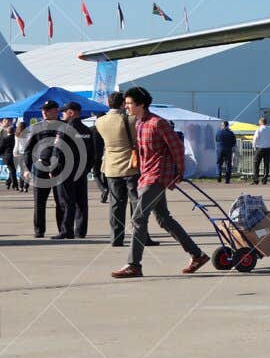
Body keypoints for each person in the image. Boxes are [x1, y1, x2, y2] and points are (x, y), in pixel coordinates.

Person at [110, 86, 208, 279]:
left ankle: (134, 265)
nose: (126, 107)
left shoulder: (158, 123)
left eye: (129, 103)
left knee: (138, 219)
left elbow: (177, 147)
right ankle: (197, 255)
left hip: (157, 177)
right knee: (164, 219)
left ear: (141, 104)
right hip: (145, 176)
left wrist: (179, 171)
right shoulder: (138, 124)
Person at [96, 91, 145, 248]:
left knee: (116, 204)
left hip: (111, 166)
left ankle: (116, 238)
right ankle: (140, 236)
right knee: (136, 203)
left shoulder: (100, 121)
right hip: (130, 166)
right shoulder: (131, 120)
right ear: (123, 103)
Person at [23, 100, 71, 239]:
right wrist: (27, 168)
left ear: (56, 110)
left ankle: (62, 230)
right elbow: (28, 150)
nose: (44, 111)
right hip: (40, 168)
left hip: (59, 169)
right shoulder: (36, 127)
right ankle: (39, 230)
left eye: (48, 109)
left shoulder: (64, 126)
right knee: (39, 201)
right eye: (43, 109)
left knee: (60, 201)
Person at [59, 102, 95, 239]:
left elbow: (59, 151)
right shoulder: (87, 130)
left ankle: (66, 231)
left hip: (67, 171)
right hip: (82, 170)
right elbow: (93, 154)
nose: (62, 114)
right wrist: (87, 169)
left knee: (67, 201)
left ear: (71, 112)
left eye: (64, 112)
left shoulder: (65, 129)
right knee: (81, 202)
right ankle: (80, 231)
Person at [251, 116, 270, 183]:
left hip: (260, 147)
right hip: (269, 148)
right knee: (266, 163)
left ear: (261, 122)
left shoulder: (259, 129)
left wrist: (254, 146)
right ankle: (264, 179)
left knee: (256, 163)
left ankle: (256, 179)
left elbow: (255, 138)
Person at [0, 120, 16, 191]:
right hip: (10, 155)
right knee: (12, 170)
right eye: (6, 121)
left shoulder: (9, 135)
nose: (8, 122)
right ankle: (9, 182)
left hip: (10, 155)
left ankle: (11, 183)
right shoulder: (2, 132)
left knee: (12, 170)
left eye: (9, 121)